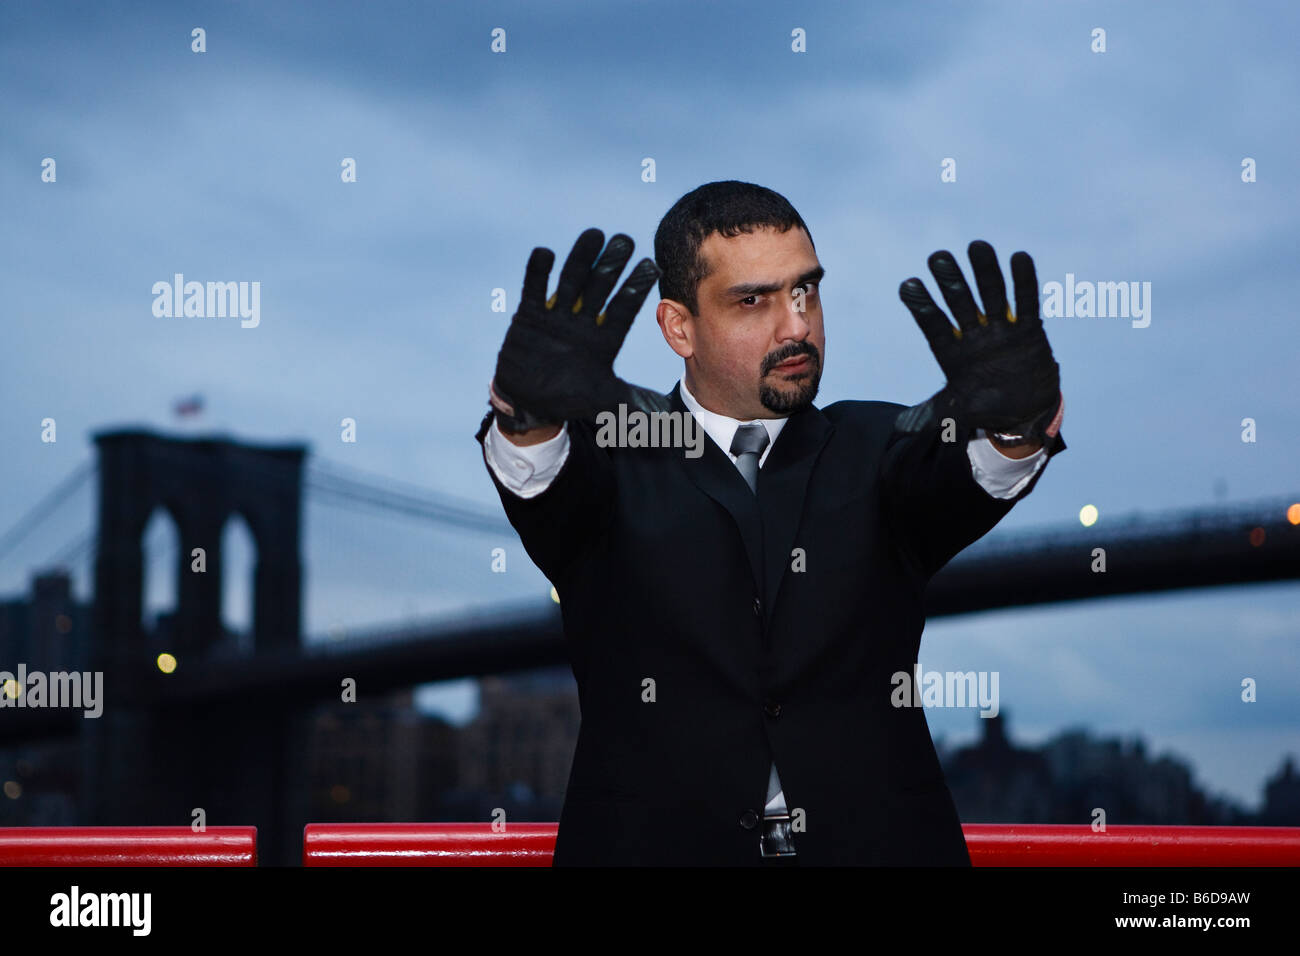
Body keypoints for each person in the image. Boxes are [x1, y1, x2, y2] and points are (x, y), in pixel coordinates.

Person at [475, 180, 1065, 866]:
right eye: (753, 300)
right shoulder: (606, 460)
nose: (796, 326)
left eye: (805, 291)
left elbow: (972, 475)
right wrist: (525, 416)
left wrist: (1018, 426)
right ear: (678, 328)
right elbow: (539, 476)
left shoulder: (884, 447)